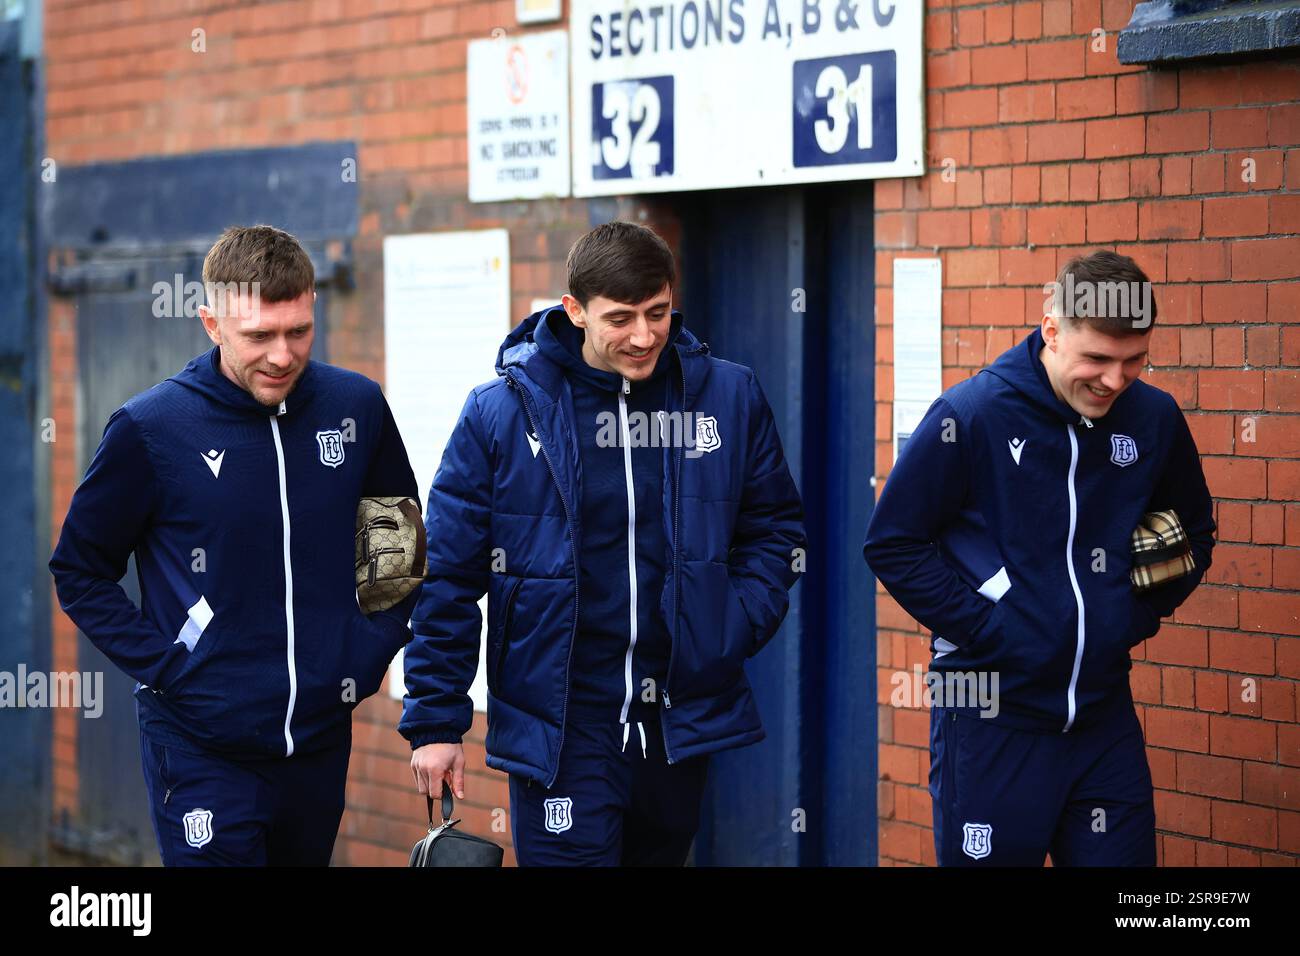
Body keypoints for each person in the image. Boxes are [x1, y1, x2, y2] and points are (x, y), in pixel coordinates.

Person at [401, 221, 806, 866]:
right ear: (575, 312)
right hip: (562, 727)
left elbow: (776, 532)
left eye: (658, 313)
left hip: (676, 722)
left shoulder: (727, 395)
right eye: (620, 318)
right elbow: (447, 574)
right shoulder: (502, 411)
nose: (643, 336)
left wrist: (727, 623)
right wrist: (435, 719)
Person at [50, 225, 420, 866]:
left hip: (318, 740)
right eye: (259, 336)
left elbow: (398, 545)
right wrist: (170, 666)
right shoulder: (151, 428)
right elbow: (80, 570)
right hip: (199, 746)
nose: (283, 355)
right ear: (211, 324)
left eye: (299, 331)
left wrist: (365, 653)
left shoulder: (355, 406)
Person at [863, 250, 1215, 867]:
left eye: (1134, 361)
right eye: (1098, 360)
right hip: (992, 719)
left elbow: (1195, 533)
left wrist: (1128, 620)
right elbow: (893, 542)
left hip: (1102, 723)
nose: (1115, 379)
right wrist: (992, 631)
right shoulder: (970, 416)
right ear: (1051, 330)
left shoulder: (1154, 418)